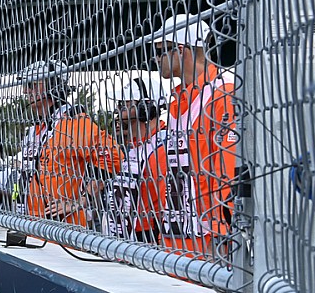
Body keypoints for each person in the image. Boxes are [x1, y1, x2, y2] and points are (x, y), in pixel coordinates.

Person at [149, 13, 239, 255]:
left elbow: (227, 174)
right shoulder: (179, 100)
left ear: (180, 50)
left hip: (209, 243)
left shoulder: (223, 92)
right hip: (177, 237)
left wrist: (222, 236)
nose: (155, 59)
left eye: (160, 52)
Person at [16, 60, 119, 228]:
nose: (25, 91)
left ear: (52, 86)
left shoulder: (73, 123)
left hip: (64, 228)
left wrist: (82, 200)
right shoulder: (38, 129)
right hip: (34, 225)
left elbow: (113, 156)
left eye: (32, 85)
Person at [104, 77, 169, 243]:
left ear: (145, 108)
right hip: (129, 236)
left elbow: (167, 207)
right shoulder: (136, 146)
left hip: (150, 238)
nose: (118, 107)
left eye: (124, 103)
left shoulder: (162, 148)